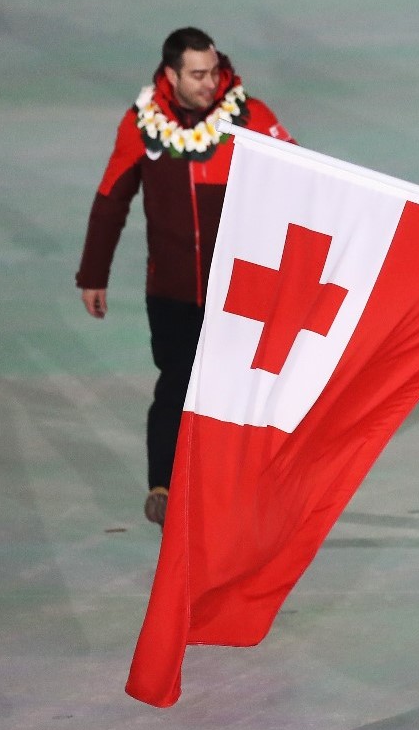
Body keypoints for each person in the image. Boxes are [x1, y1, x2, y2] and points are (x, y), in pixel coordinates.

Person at [76, 27, 292, 526]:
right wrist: (94, 274)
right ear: (171, 75)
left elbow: (301, 179)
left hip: (239, 288)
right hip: (170, 290)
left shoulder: (252, 117)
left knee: (237, 391)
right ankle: (164, 488)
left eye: (214, 71)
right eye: (197, 75)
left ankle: (237, 491)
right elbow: (111, 199)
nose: (210, 83)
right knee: (176, 385)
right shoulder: (141, 125)